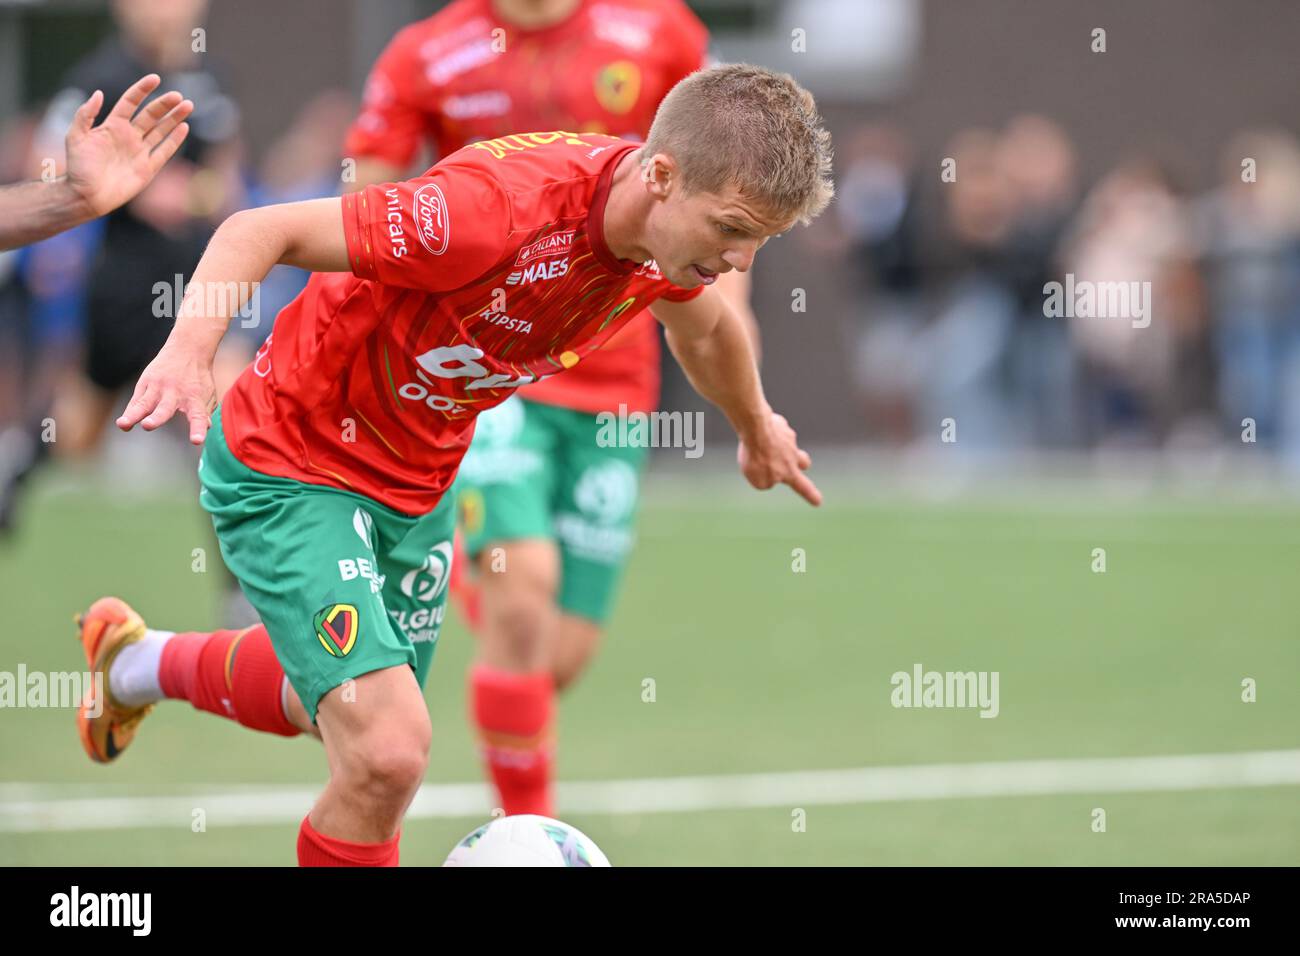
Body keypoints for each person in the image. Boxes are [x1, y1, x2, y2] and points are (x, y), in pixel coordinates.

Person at [76, 64, 833, 867]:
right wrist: (189, 354)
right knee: (386, 754)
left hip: (418, 480)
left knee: (322, 698)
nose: (743, 259)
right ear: (661, 176)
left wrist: (757, 427)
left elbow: (709, 334)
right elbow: (258, 232)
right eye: (732, 229)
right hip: (293, 454)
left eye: (760, 241)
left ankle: (136, 660)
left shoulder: (662, 240)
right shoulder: (490, 211)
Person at [343, 0, 759, 817]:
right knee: (524, 594)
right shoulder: (424, 54)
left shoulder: (661, 30)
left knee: (555, 655)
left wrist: (734, 328)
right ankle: (530, 833)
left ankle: (459, 562)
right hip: (489, 360)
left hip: (616, 368)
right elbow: (367, 201)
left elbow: (728, 187)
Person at [0, 73, 191, 252]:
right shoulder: (98, 74)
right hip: (110, 249)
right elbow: (42, 163)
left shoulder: (196, 71)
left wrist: (72, 196)